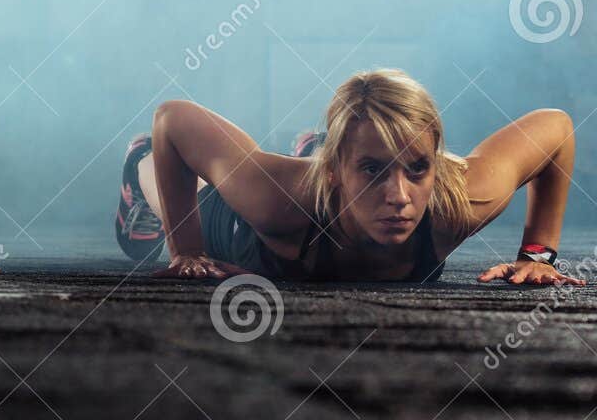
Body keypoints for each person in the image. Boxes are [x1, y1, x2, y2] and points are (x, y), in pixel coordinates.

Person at [115, 68, 582, 285]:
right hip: (251, 237)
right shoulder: (276, 202)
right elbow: (173, 120)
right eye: (374, 171)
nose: (399, 196)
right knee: (188, 192)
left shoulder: (459, 200)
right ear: (335, 170)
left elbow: (556, 128)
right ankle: (139, 165)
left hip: (333, 174)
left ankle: (327, 149)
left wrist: (537, 255)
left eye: (417, 169)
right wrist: (187, 250)